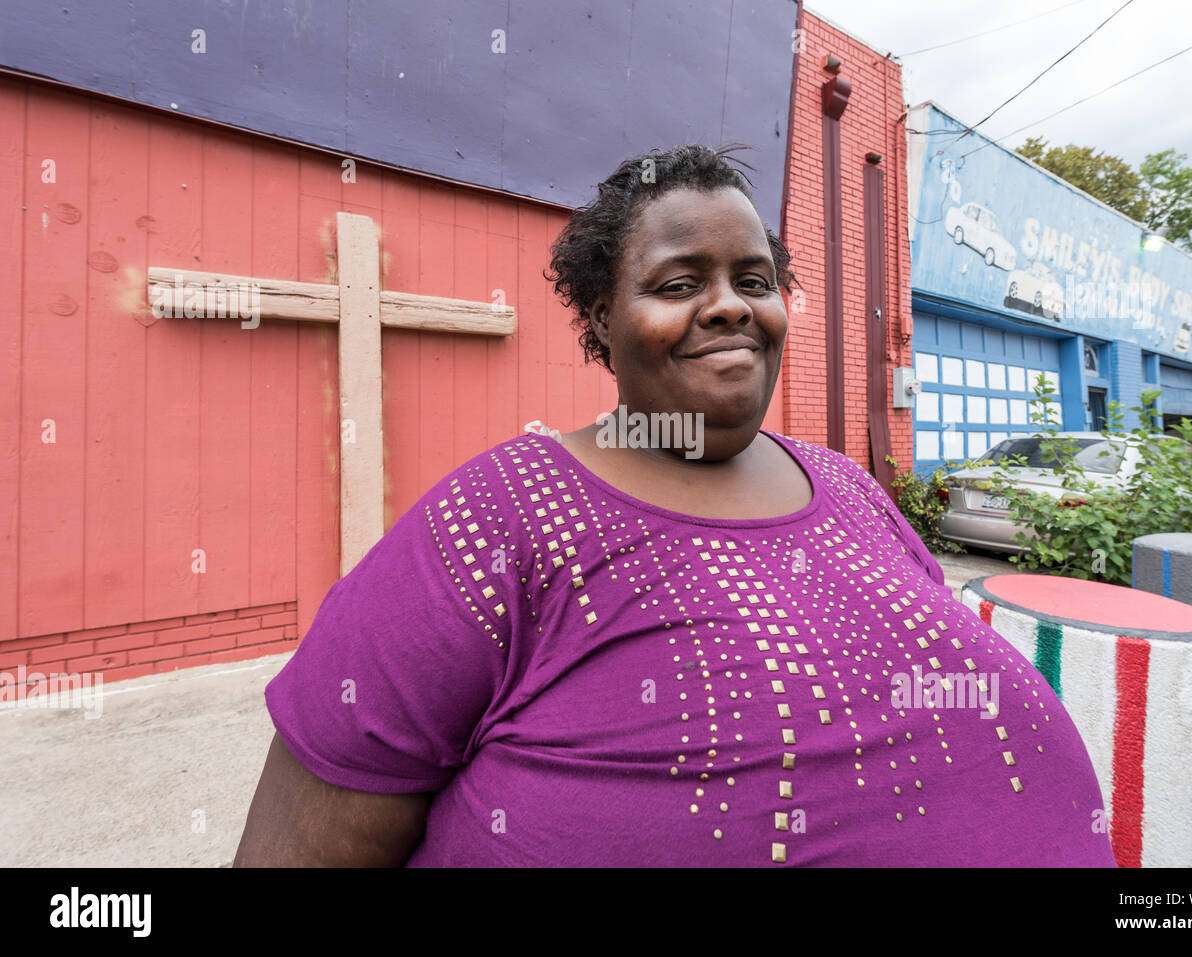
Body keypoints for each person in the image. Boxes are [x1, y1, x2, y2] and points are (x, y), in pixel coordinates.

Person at [234, 144, 1116, 867]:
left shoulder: (851, 488)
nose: (729, 305)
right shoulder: (493, 520)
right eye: (677, 281)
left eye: (754, 277)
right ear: (601, 319)